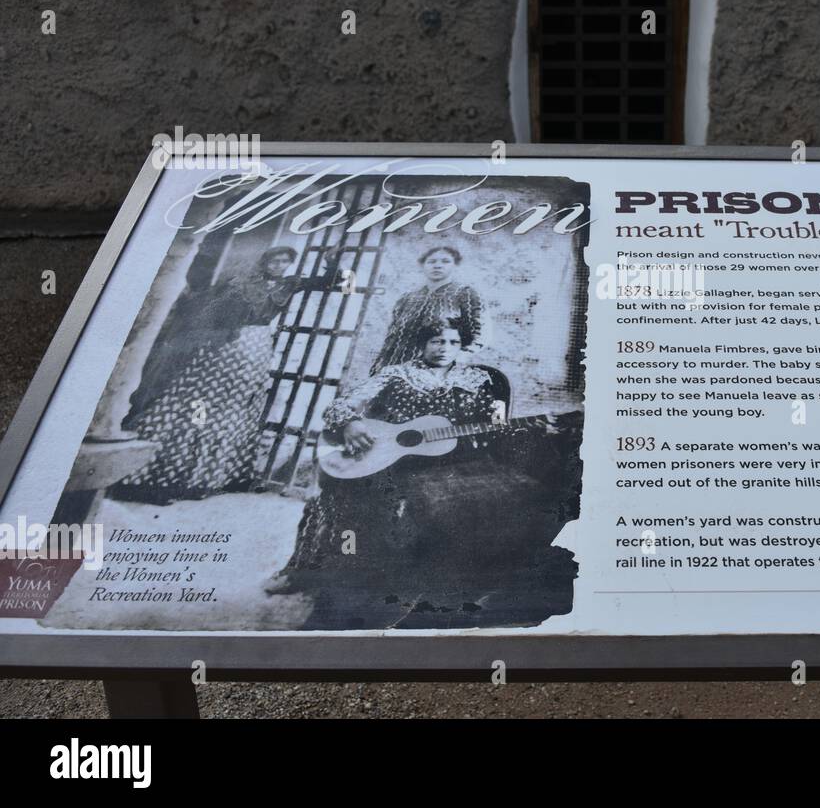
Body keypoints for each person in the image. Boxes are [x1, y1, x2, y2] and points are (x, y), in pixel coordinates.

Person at [286, 316, 579, 631]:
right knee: (368, 512)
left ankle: (458, 592)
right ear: (422, 344)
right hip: (391, 460)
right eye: (437, 341)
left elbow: (496, 425)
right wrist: (351, 423)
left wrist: (533, 425)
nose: (445, 348)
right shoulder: (395, 374)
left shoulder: (478, 380)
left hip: (454, 463)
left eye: (453, 342)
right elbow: (340, 405)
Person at [109, 244, 343, 504]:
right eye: (274, 261)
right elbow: (207, 312)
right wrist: (214, 333)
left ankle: (204, 479)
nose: (278, 266)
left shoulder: (289, 284)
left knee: (230, 410)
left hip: (255, 348)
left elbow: (331, 282)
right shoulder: (238, 284)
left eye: (284, 262)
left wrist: (331, 262)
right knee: (194, 406)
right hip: (222, 348)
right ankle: (155, 476)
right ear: (264, 262)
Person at [369, 245, 489, 373]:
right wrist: (379, 366)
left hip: (433, 371)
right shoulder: (408, 297)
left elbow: (481, 335)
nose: (437, 265)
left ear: (455, 265)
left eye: (445, 261)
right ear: (423, 266)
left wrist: (452, 360)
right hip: (392, 366)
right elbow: (392, 336)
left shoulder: (465, 294)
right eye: (431, 261)